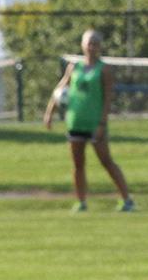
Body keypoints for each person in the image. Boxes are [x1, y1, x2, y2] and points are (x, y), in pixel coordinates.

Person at [44, 29, 135, 213]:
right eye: (89, 43)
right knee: (78, 164)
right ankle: (81, 201)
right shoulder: (74, 67)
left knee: (106, 161)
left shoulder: (104, 70)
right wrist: (49, 113)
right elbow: (60, 90)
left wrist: (102, 123)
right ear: (82, 45)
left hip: (94, 123)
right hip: (75, 122)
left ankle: (127, 199)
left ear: (100, 47)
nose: (92, 47)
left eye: (95, 43)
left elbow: (108, 98)